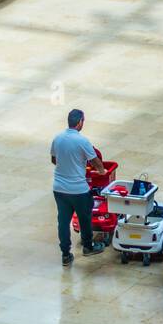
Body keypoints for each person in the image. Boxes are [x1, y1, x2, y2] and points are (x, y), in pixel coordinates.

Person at [51, 108, 107, 266]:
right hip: (78, 190)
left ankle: (65, 254)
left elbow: (54, 160)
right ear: (80, 122)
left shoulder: (58, 138)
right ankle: (88, 246)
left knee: (63, 220)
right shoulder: (82, 141)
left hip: (59, 188)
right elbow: (95, 161)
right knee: (85, 218)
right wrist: (101, 171)